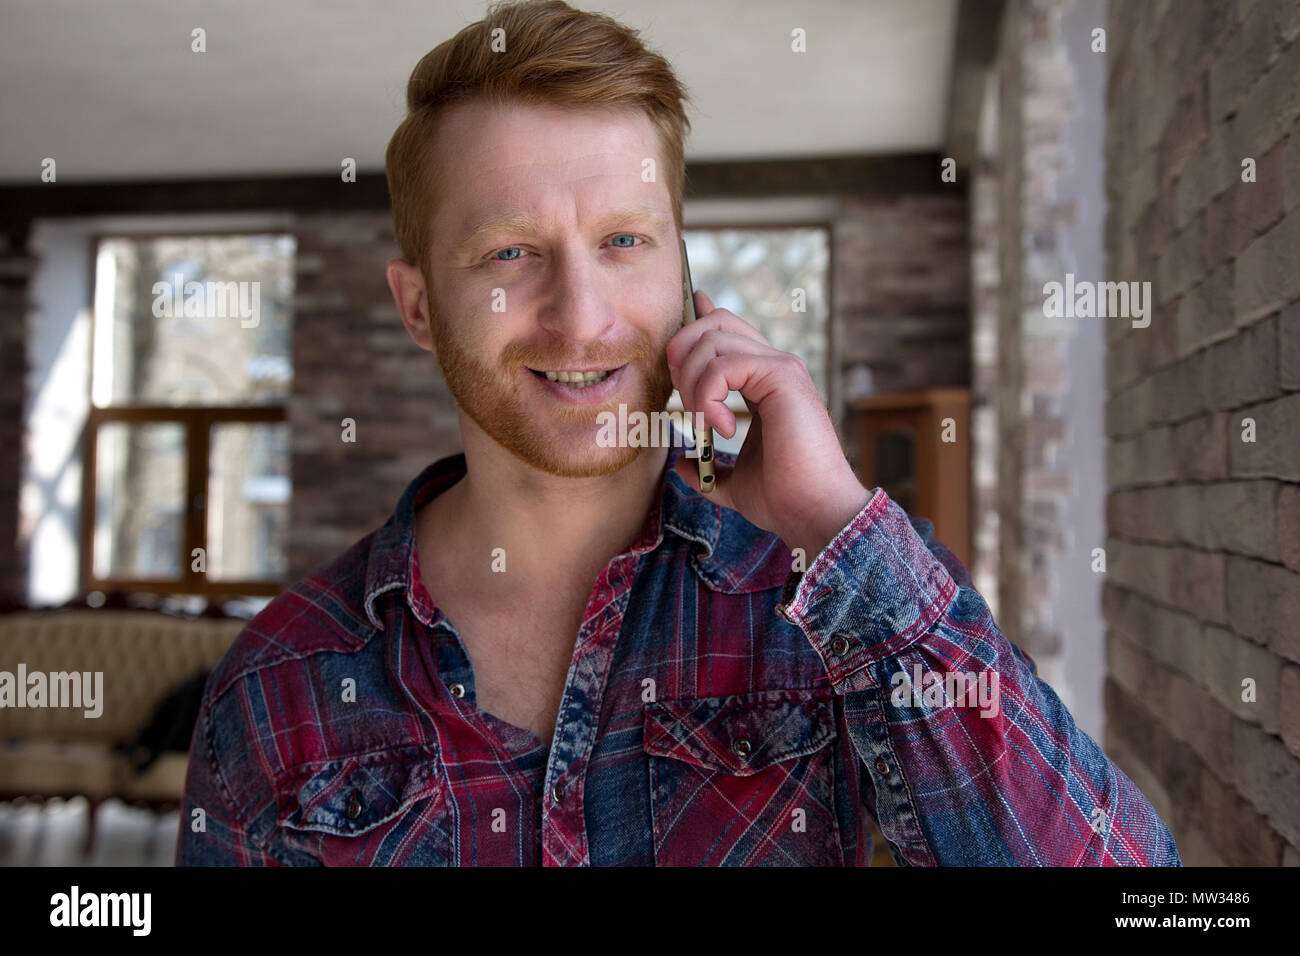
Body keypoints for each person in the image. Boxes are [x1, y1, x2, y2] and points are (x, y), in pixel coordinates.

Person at [178, 0, 1180, 866]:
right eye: (510, 251)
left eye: (624, 240)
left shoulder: (836, 600)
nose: (581, 315)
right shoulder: (276, 688)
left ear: (683, 273)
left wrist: (833, 518)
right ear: (420, 306)